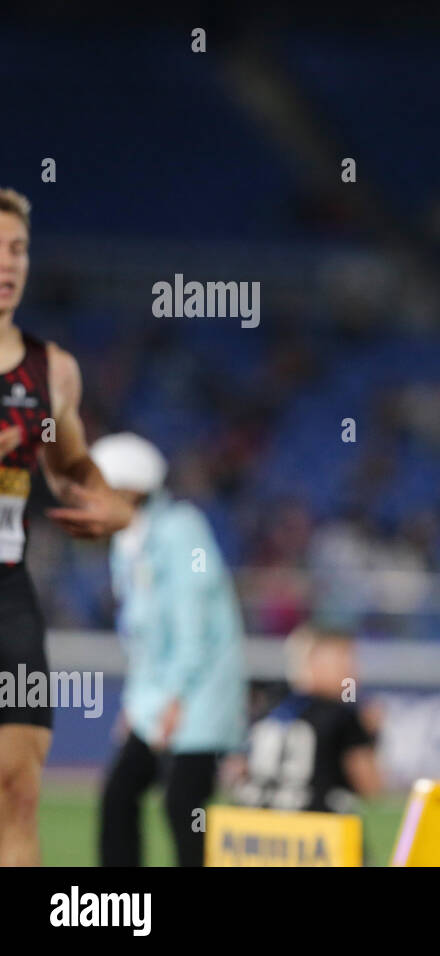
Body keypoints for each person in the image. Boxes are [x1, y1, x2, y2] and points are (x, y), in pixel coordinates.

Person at [0, 188, 133, 866]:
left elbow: (70, 466)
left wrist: (108, 502)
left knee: (18, 785)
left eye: (18, 249)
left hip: (8, 594)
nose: (7, 263)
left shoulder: (52, 372)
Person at [92, 433, 247, 867]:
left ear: (129, 490)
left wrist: (175, 696)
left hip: (199, 699)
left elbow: (192, 624)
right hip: (155, 699)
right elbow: (142, 636)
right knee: (119, 795)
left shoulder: (181, 530)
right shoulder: (128, 543)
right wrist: (137, 702)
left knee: (184, 805)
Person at [230, 622, 381, 815]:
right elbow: (371, 788)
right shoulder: (341, 714)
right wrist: (371, 735)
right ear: (313, 662)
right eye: (344, 659)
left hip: (252, 823)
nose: (353, 670)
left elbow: (236, 771)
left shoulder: (268, 708)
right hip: (313, 826)